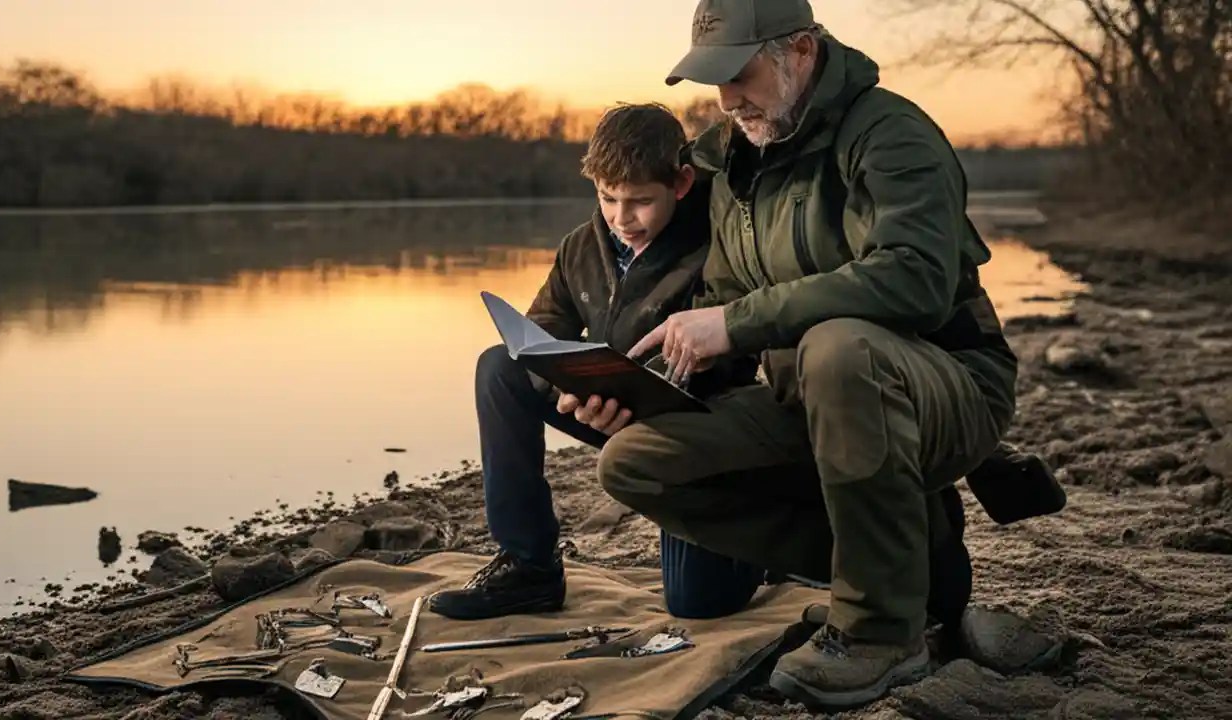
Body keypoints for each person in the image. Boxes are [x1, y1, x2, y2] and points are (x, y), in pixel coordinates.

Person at [587, 0, 1023, 709]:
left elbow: (915, 278)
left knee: (837, 346)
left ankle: (880, 631)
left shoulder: (891, 134)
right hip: (809, 401)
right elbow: (726, 312)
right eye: (713, 81)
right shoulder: (732, 165)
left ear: (801, 51)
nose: (726, 98)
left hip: (947, 392)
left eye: (741, 74)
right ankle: (905, 556)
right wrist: (636, 390)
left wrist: (733, 320)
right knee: (636, 463)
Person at [426, 102, 767, 622]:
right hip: (606, 405)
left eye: (639, 202)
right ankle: (529, 567)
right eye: (608, 198)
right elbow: (541, 337)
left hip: (694, 430)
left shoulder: (718, 243)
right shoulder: (581, 247)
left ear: (680, 183)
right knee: (500, 367)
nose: (621, 218)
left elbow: (721, 366)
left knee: (697, 605)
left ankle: (769, 545)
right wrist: (568, 383)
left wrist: (625, 401)